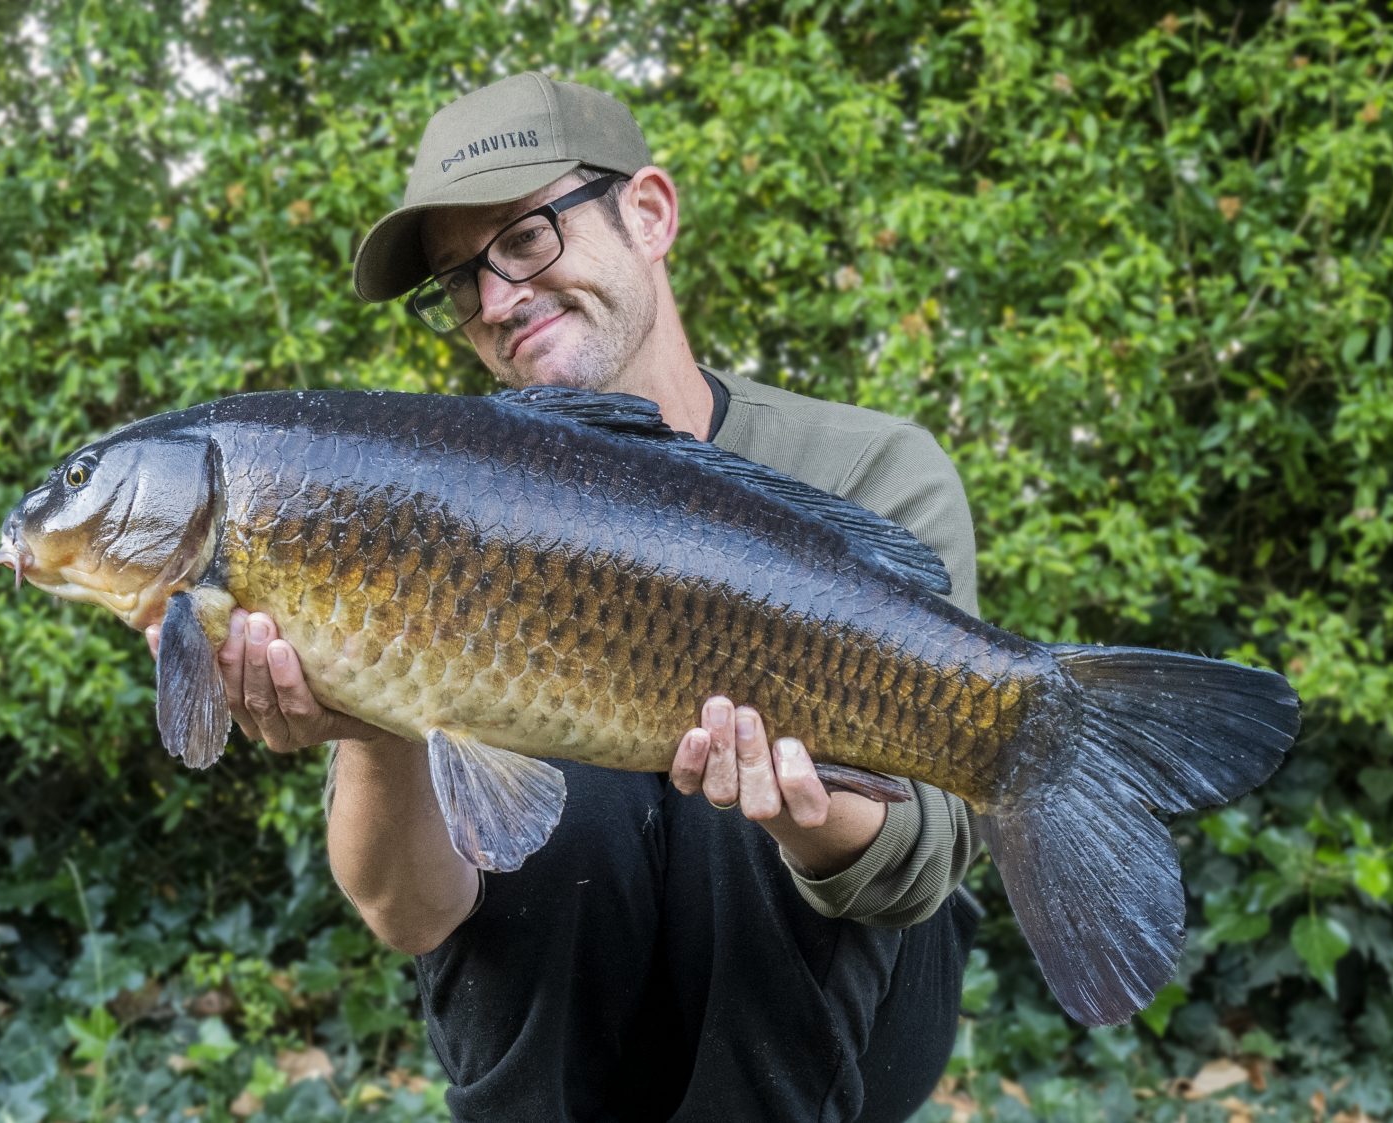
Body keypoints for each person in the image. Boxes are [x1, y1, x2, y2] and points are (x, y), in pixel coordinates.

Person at [151, 73, 982, 1121]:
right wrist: (374, 726)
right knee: (551, 768)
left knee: (725, 770)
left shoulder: (871, 467)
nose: (499, 299)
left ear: (650, 215)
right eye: (459, 280)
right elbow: (410, 914)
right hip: (572, 1032)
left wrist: (804, 810)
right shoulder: (426, 496)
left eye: (527, 237)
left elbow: (928, 860)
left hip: (852, 1023)